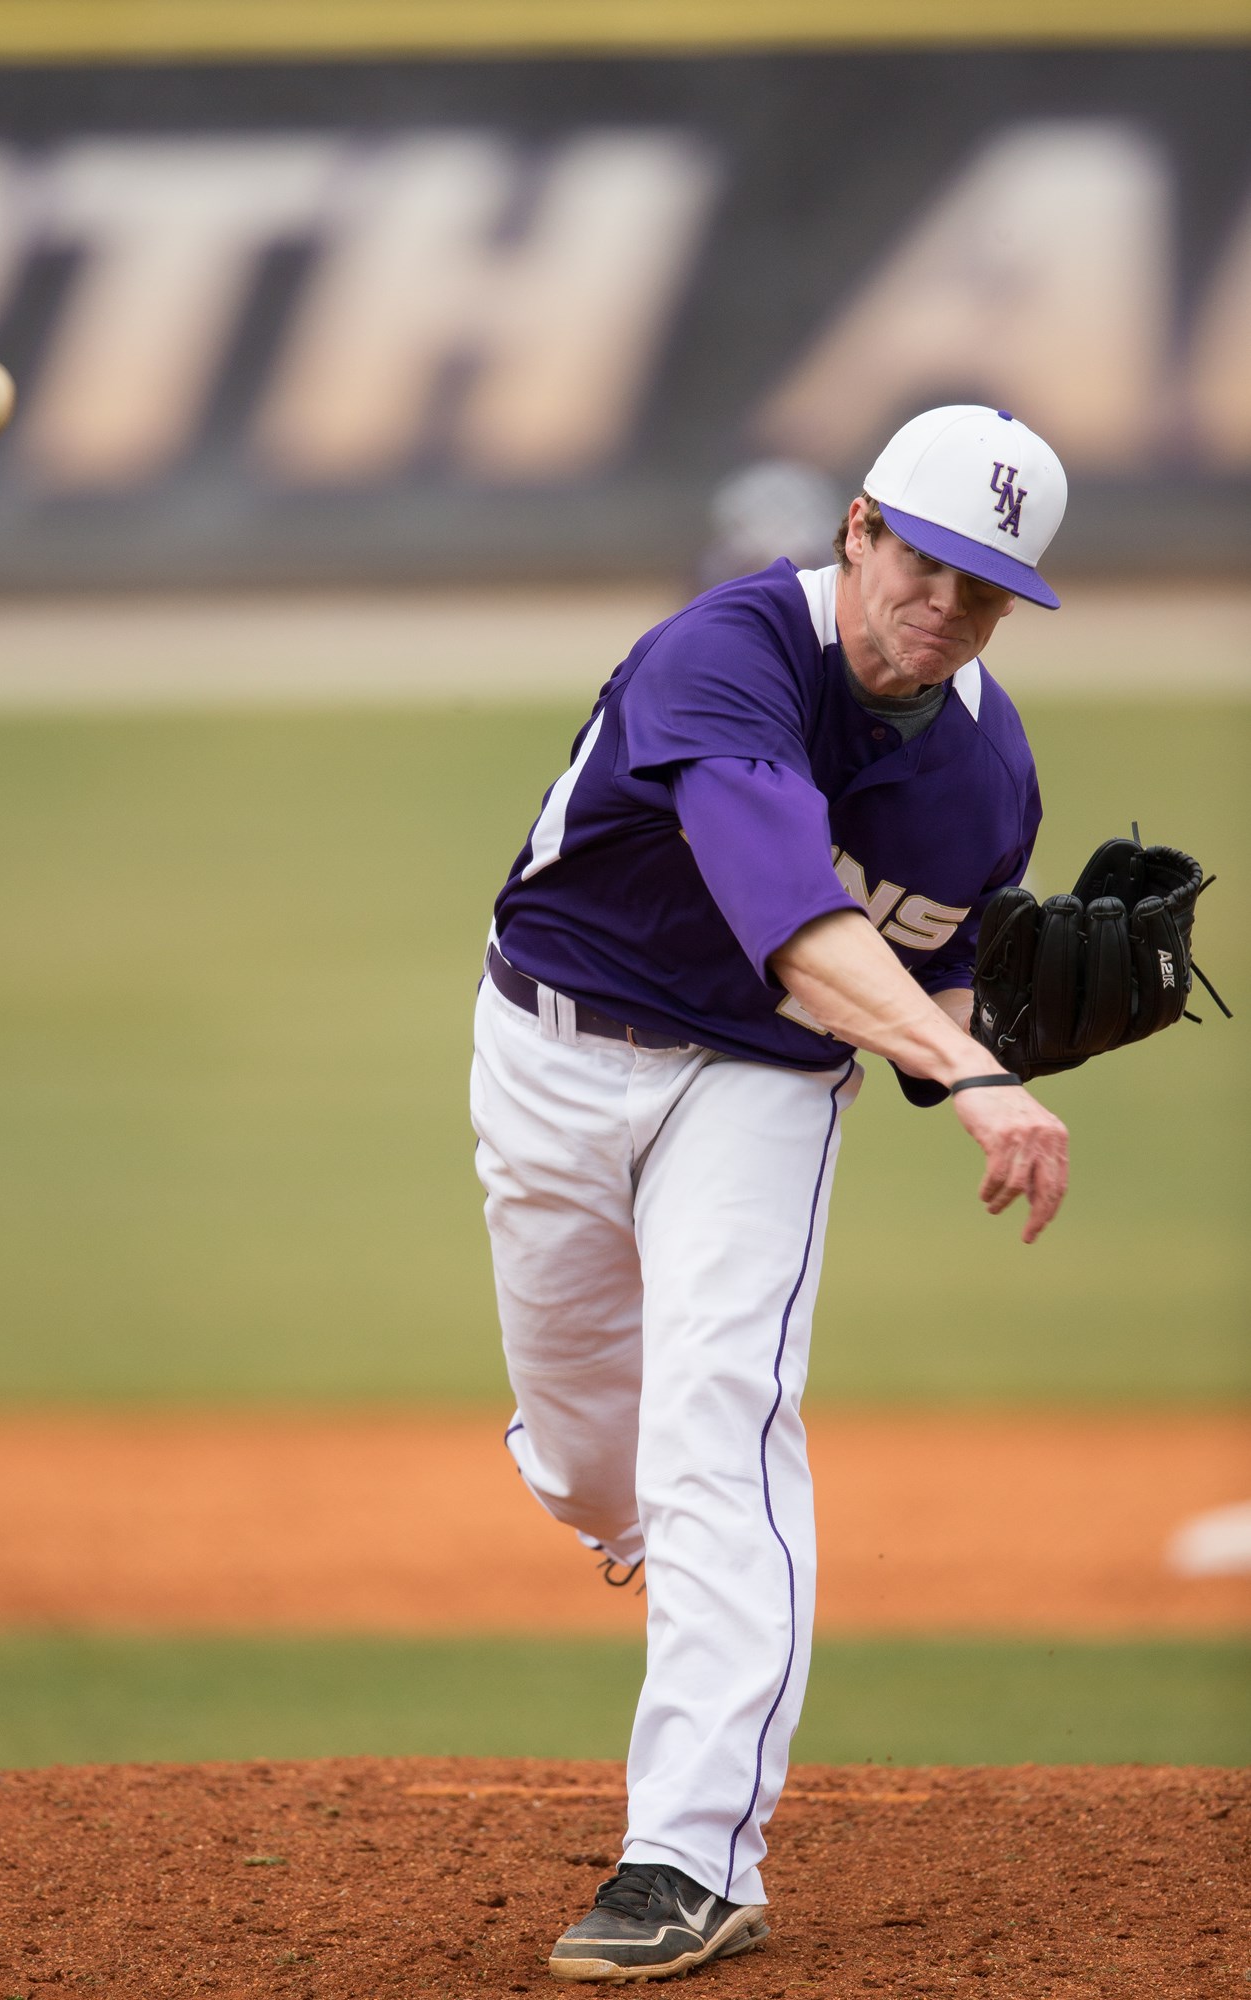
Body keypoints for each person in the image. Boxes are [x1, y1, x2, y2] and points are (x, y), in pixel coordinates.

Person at [470, 405, 1071, 1984]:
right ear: (857, 529)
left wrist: (992, 1041)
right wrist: (970, 1072)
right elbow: (797, 924)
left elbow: (926, 988)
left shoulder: (984, 776)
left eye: (987, 591)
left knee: (721, 1424)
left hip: (760, 1084)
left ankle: (691, 1860)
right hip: (546, 1052)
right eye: (923, 563)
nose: (943, 609)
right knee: (596, 1469)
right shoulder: (722, 652)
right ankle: (624, 1499)